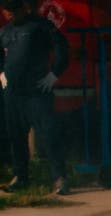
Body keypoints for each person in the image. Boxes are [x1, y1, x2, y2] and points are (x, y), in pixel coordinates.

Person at [0, 0, 70, 195]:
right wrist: (1, 73)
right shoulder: (4, 32)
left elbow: (62, 48)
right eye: (6, 10)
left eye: (14, 9)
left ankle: (59, 177)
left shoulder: (40, 26)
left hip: (36, 91)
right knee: (16, 137)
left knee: (48, 135)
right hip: (13, 93)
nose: (10, 14)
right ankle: (20, 177)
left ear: (24, 8)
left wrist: (54, 74)